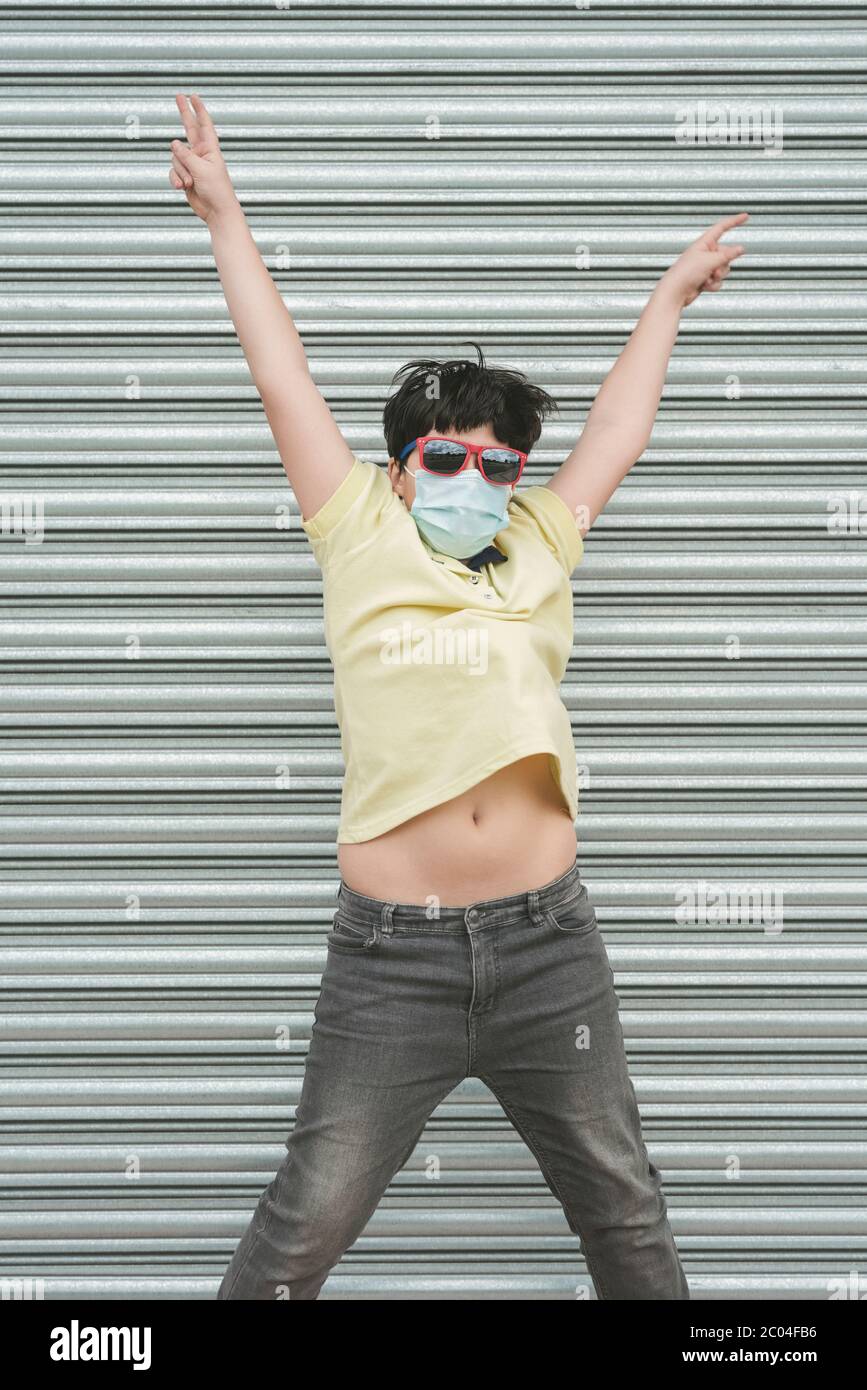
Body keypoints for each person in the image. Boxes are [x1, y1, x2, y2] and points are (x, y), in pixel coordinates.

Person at [169, 92, 747, 1301]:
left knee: (628, 1219)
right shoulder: (357, 531)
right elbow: (282, 383)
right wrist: (226, 219)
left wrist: (665, 304)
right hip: (393, 963)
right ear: (399, 466)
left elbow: (619, 438)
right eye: (447, 455)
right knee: (302, 1229)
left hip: (549, 945)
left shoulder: (540, 538)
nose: (475, 475)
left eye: (498, 459)